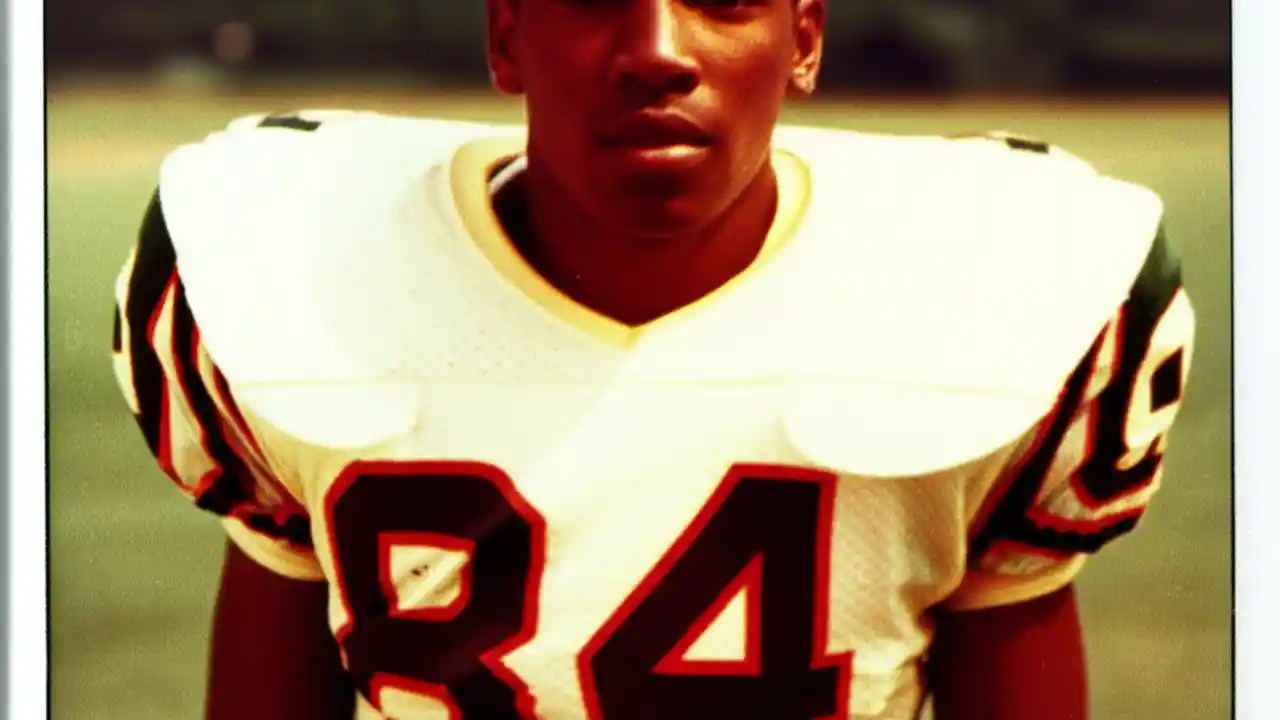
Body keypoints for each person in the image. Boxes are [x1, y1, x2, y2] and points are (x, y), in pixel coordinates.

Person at [110, 1, 1195, 718]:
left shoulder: (1011, 272)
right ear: (506, 36)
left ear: (802, 36)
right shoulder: (281, 258)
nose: (659, 49)